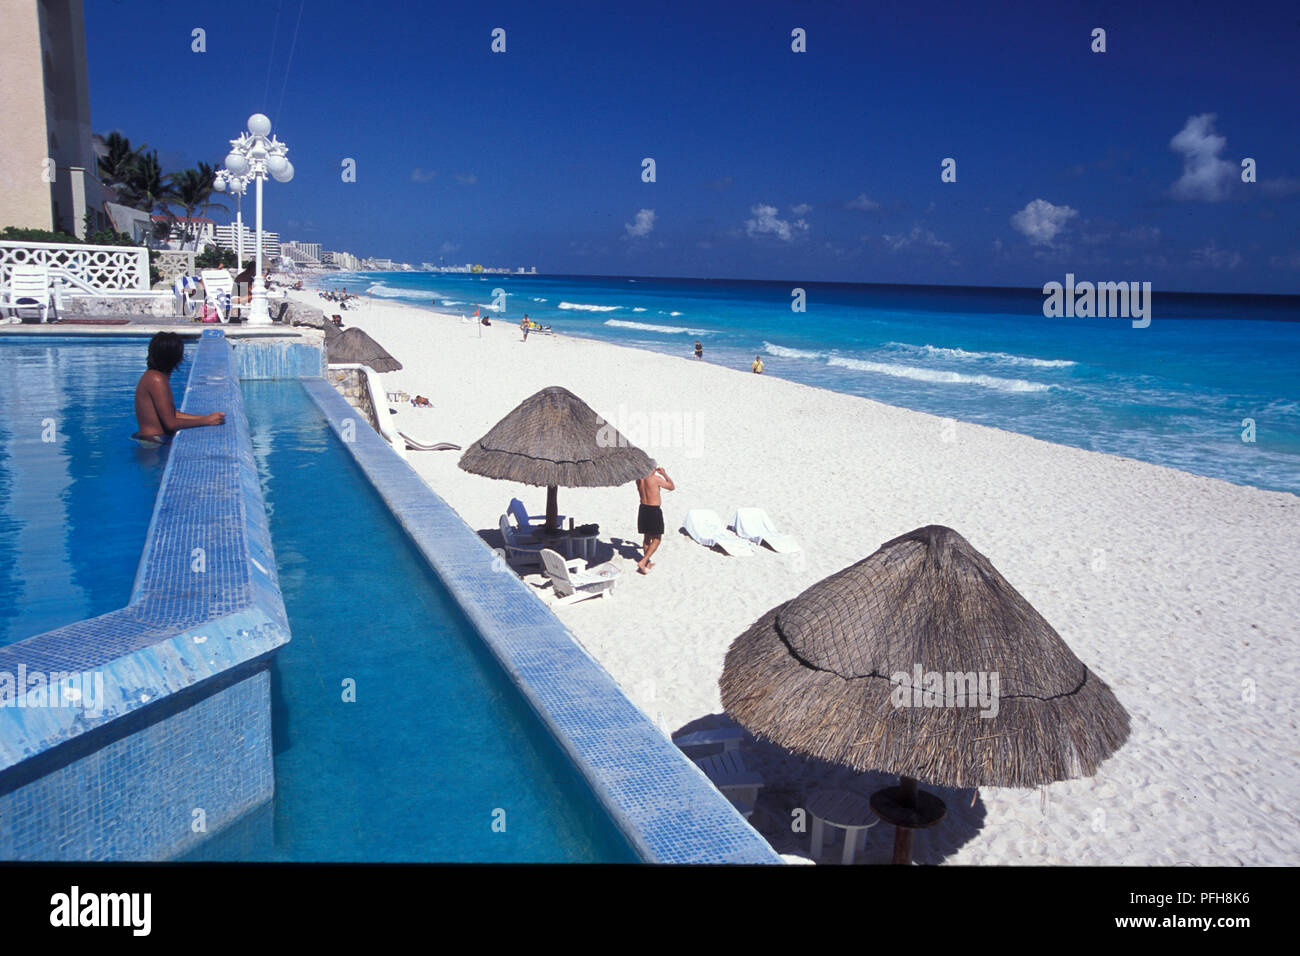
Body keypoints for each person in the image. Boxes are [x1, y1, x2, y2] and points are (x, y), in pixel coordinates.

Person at [133, 332, 225, 444]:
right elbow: (171, 423)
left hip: (153, 441)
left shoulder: (153, 376)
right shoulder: (156, 379)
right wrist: (206, 421)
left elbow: (171, 414)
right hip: (154, 444)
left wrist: (207, 417)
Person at [634, 466, 674, 574]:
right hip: (653, 510)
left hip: (643, 509)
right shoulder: (655, 479)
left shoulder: (638, 479)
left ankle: (646, 562)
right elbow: (671, 487)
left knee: (647, 537)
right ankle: (643, 562)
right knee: (657, 539)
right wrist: (664, 474)